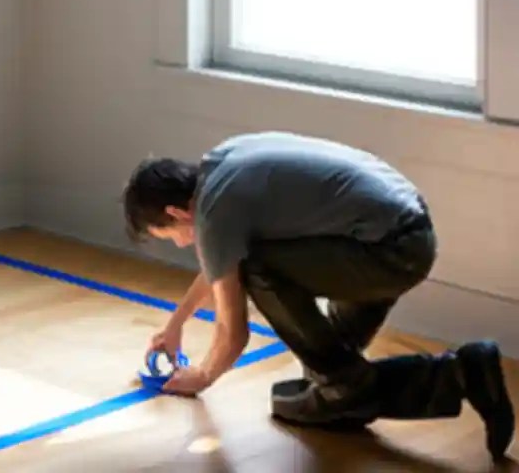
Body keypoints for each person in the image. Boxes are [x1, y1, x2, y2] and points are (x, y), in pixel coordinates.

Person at [120, 130, 514, 461]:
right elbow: (220, 258)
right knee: (315, 395)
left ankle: (459, 373)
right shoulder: (222, 164)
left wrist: (202, 376)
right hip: (399, 234)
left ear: (176, 213)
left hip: (389, 253)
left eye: (170, 237)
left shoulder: (215, 213)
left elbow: (233, 330)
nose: (179, 244)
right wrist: (176, 324)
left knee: (333, 382)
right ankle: (350, 387)